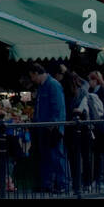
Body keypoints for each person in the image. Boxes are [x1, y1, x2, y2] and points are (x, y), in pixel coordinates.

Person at [30, 63, 68, 194]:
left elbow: (58, 107)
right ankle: (48, 183)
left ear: (36, 73)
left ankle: (62, 184)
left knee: (56, 155)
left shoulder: (53, 85)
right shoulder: (43, 86)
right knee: (46, 156)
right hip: (43, 127)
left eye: (32, 76)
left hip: (52, 128)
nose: (32, 80)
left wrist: (54, 124)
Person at [88, 71, 104, 186]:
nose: (89, 82)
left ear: (95, 80)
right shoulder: (94, 91)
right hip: (99, 125)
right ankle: (100, 178)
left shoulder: (101, 90)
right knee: (99, 153)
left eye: (90, 80)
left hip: (103, 124)